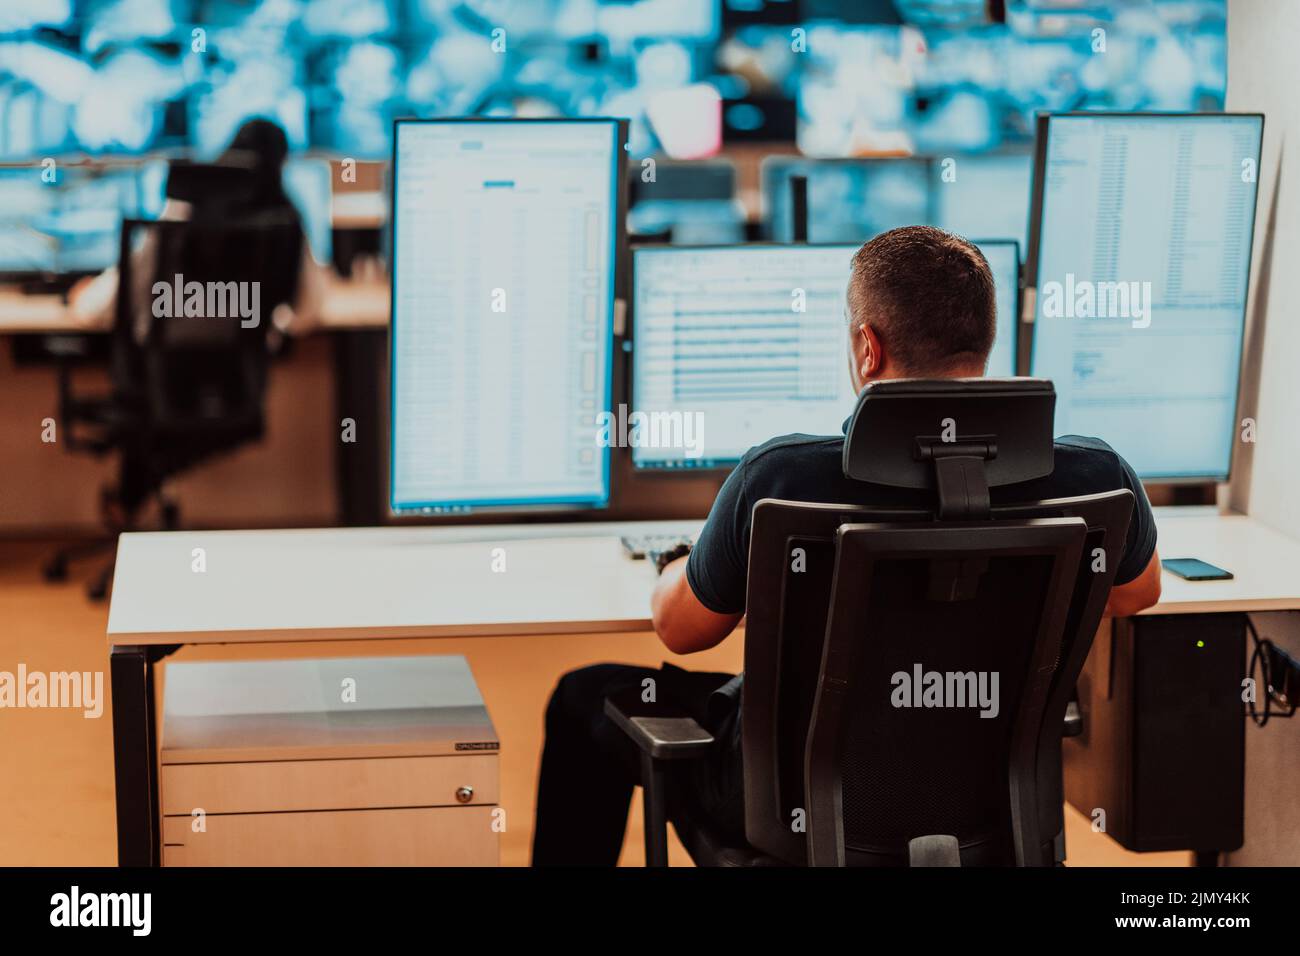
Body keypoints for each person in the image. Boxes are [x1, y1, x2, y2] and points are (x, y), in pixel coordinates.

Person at [531, 226, 1162, 866]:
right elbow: (1138, 592)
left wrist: (686, 568)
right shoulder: (1095, 476)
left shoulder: (781, 479)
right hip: (993, 807)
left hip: (798, 808)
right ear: (985, 340)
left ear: (868, 347)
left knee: (583, 697)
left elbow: (680, 628)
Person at [68, 117, 326, 334]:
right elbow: (307, 312)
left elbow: (101, 309)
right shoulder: (282, 222)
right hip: (243, 381)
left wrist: (83, 298)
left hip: (166, 380)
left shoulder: (185, 212)